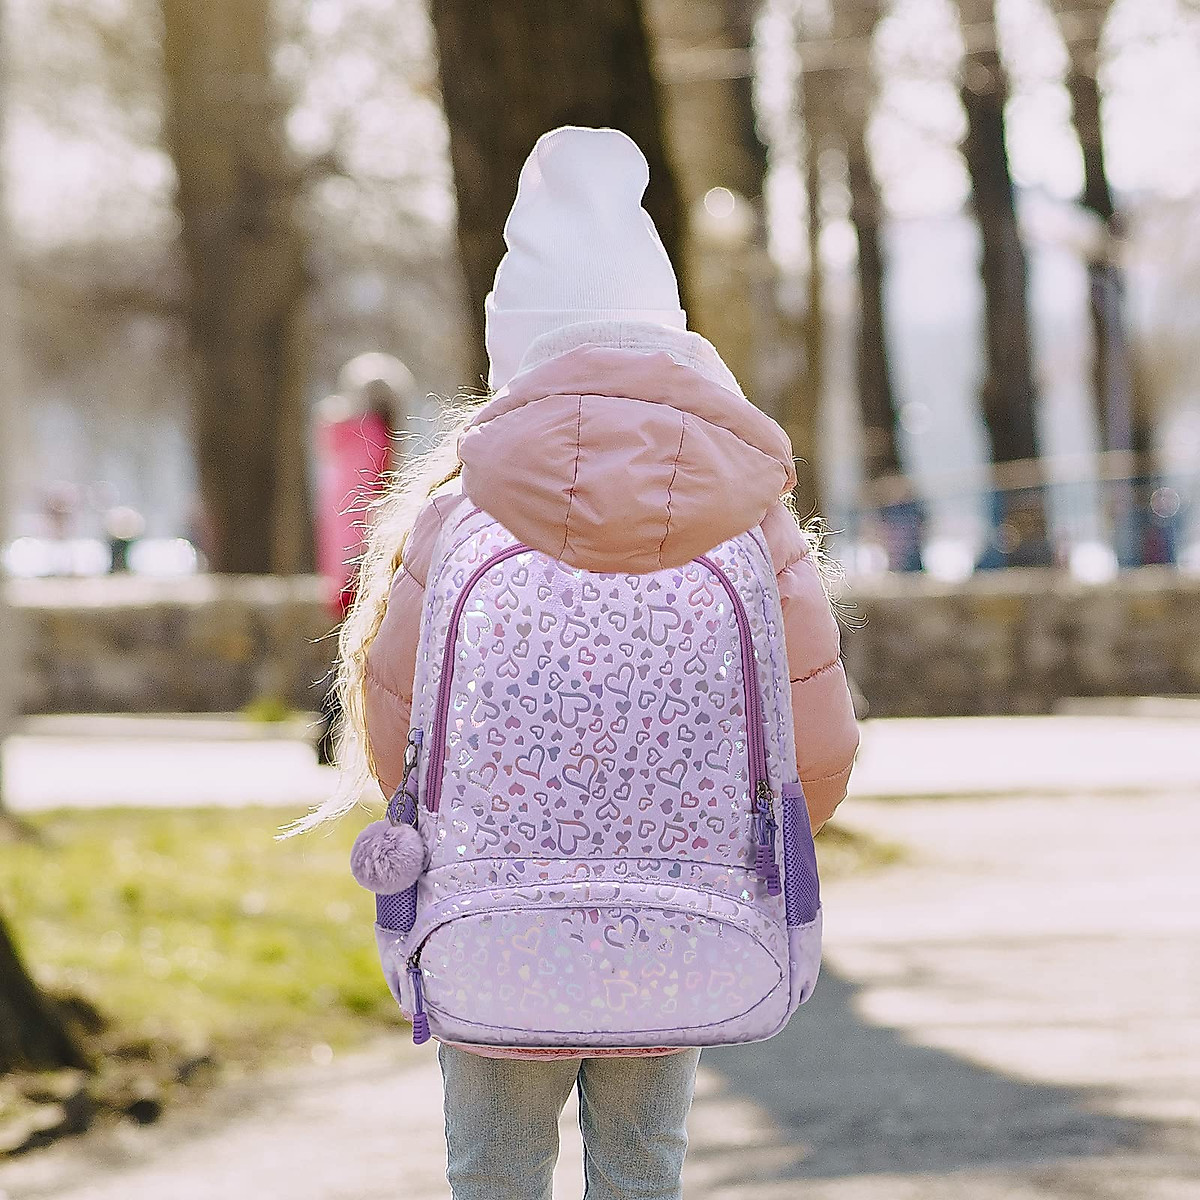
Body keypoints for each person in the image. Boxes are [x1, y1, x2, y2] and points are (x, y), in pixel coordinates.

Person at [301, 127, 859, 1200]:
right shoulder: (746, 513)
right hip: (680, 908)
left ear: (514, 349)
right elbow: (815, 740)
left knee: (497, 1166)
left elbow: (393, 726)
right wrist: (760, 839)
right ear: (669, 340)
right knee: (644, 1163)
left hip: (492, 911)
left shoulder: (454, 506)